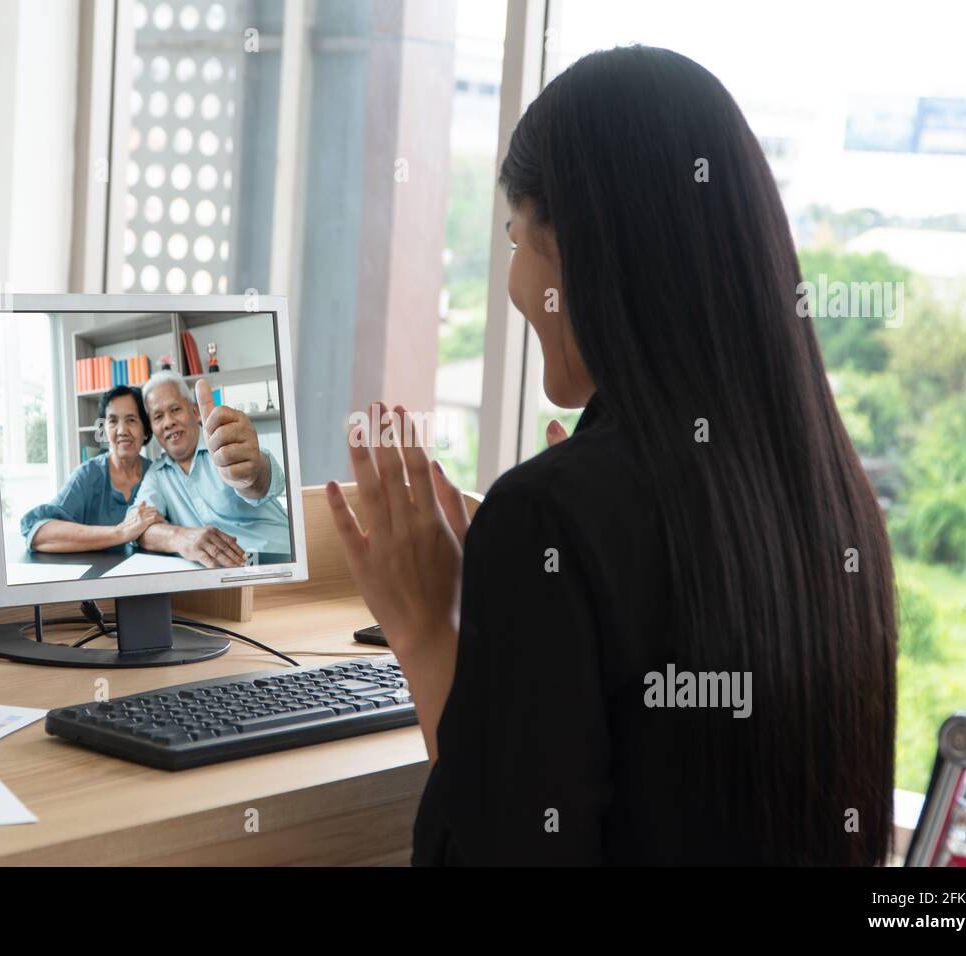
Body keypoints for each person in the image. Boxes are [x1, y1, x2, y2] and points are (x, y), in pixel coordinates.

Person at [325, 46, 897, 865]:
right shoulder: (830, 497)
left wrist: (425, 630)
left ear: (573, 244)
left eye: (516, 239)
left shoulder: (552, 515)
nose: (516, 282)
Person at [134, 370, 292, 568]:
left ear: (194, 412)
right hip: (221, 577)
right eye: (158, 416)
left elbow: (261, 482)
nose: (168, 422)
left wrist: (251, 475)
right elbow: (137, 526)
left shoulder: (224, 444)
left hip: (278, 558)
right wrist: (181, 537)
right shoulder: (156, 475)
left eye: (175, 409)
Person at [20, 385, 162, 553]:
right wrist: (120, 532)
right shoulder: (88, 475)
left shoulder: (158, 475)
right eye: (113, 421)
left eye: (131, 420)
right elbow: (39, 533)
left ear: (146, 430)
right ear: (104, 429)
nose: (122, 431)